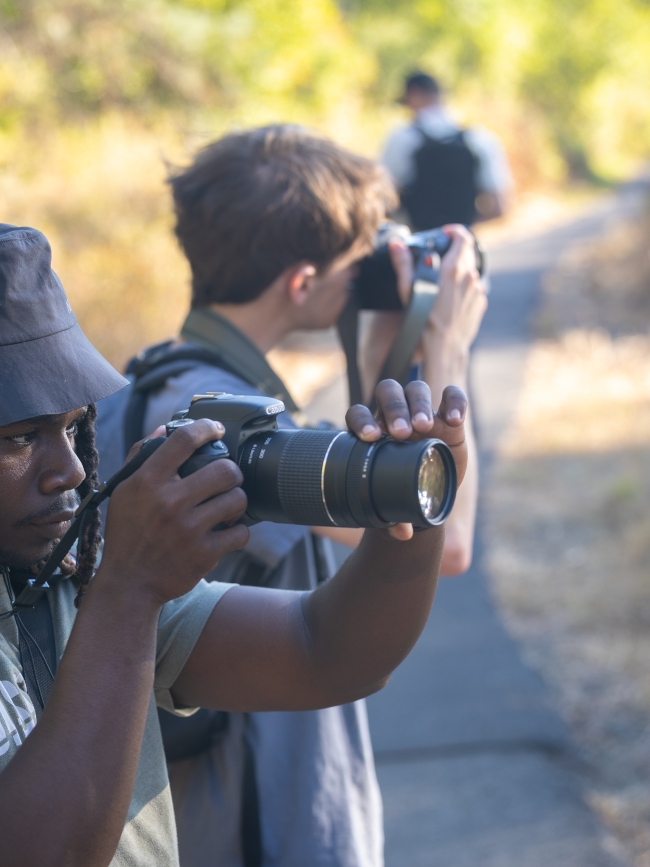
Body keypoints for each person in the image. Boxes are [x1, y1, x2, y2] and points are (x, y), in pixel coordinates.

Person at [0, 223, 473, 867]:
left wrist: (413, 513)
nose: (72, 469)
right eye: (21, 437)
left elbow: (325, 650)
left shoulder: (52, 579)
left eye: (72, 425)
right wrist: (130, 590)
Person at [94, 126, 486, 867]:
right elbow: (447, 539)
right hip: (256, 805)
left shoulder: (147, 384)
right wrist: (449, 347)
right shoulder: (236, 433)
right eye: (354, 265)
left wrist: (377, 355)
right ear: (302, 284)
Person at [381, 71, 514, 229]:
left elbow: (382, 197)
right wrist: (463, 226)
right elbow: (500, 207)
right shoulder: (480, 138)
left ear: (413, 95)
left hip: (418, 242)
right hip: (465, 243)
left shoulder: (400, 139)